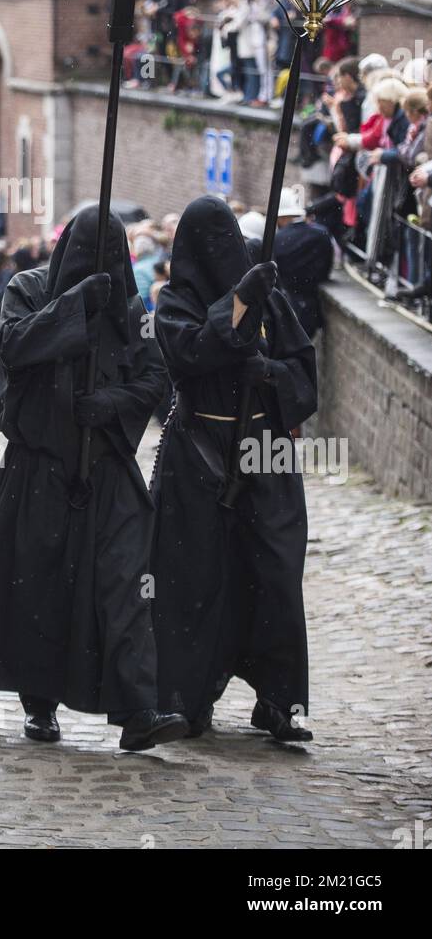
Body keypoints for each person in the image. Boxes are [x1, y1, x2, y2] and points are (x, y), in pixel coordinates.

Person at [0, 207, 188, 752]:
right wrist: (77, 305)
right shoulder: (26, 290)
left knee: (124, 583)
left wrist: (111, 403)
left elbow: (153, 375)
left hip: (106, 465)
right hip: (40, 468)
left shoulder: (130, 308)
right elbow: (17, 346)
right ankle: (40, 702)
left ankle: (137, 709)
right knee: (40, 586)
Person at [151, 197, 317, 743]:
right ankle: (184, 697)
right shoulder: (175, 301)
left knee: (274, 571)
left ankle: (279, 699)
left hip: (264, 450)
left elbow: (303, 376)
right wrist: (237, 304)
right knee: (194, 576)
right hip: (200, 448)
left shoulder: (273, 299)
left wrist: (266, 371)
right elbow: (191, 355)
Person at [273, 189, 334, 339]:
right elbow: (326, 268)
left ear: (282, 217)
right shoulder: (321, 234)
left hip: (286, 304)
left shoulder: (277, 239)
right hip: (311, 306)